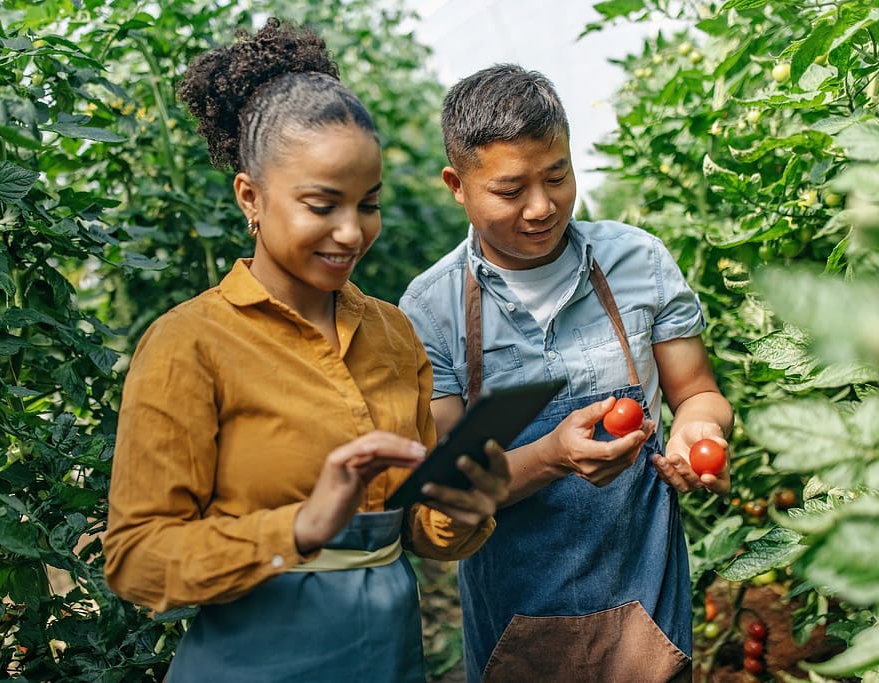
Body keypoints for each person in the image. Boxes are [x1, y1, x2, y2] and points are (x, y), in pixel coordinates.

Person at [102, 19, 511, 683]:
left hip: (386, 660)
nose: (351, 232)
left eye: (368, 204)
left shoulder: (393, 335)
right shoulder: (190, 343)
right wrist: (298, 526)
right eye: (322, 205)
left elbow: (413, 528)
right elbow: (136, 560)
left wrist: (463, 506)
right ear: (251, 197)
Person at [399, 64, 734, 683]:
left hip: (645, 599)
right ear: (456, 185)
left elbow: (696, 392)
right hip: (514, 613)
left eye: (557, 176)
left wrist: (698, 432)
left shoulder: (638, 262)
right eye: (510, 190)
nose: (541, 207)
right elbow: (448, 484)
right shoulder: (431, 309)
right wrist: (552, 456)